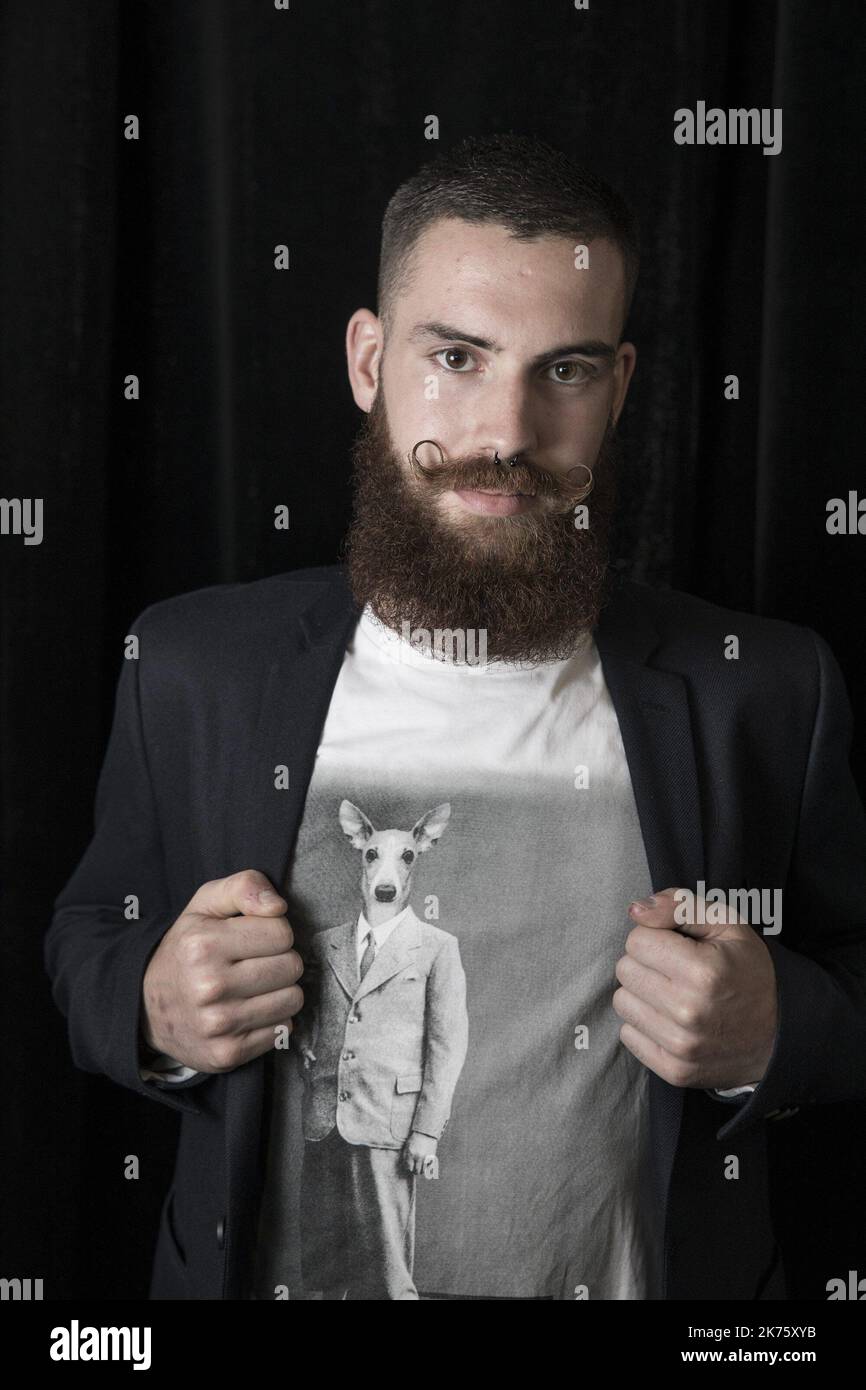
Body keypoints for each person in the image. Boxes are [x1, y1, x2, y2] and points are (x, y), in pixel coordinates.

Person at [45, 133, 866, 1301]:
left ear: (619, 385)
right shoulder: (189, 667)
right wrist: (150, 1004)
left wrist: (776, 1029)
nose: (504, 433)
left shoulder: (767, 689)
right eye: (457, 357)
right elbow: (88, 930)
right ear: (369, 359)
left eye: (564, 370)